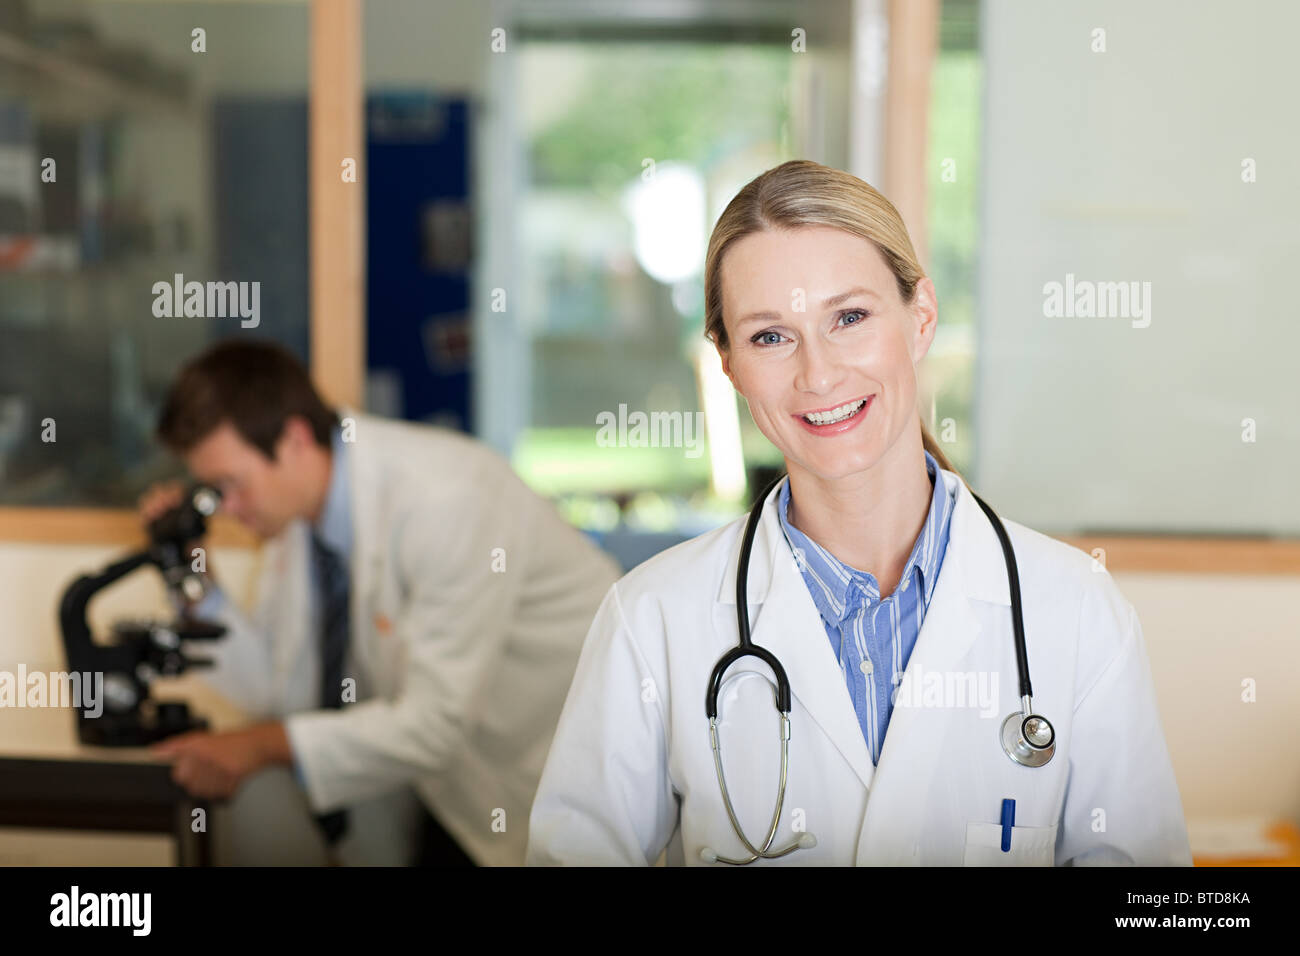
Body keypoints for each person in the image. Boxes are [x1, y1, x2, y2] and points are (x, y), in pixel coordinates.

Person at [526, 159, 1193, 866]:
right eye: (770, 336)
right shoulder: (652, 618)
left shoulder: (1076, 611)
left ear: (921, 317)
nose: (818, 374)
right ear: (728, 364)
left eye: (849, 317)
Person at [140, 340, 621, 866]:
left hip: (565, 773)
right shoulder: (303, 526)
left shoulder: (446, 499)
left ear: (295, 439)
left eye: (229, 486)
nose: (226, 509)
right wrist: (192, 579)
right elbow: (276, 689)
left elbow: (435, 722)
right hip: (460, 783)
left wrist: (262, 745)